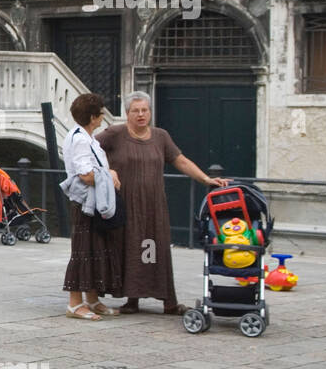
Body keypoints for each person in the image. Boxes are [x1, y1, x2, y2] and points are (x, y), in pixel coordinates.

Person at [98, 91, 229, 316]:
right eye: (135, 111)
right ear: (127, 114)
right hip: (125, 204)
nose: (141, 115)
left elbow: (181, 160)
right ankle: (132, 299)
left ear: (150, 112)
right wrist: (106, 171)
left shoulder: (160, 136)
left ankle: (168, 301)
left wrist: (205, 179)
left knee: (152, 249)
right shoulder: (114, 134)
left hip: (153, 207)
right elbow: (88, 149)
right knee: (130, 249)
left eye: (144, 110)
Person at [60, 92, 123, 321]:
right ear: (94, 117)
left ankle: (93, 299)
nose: (103, 115)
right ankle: (75, 304)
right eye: (100, 112)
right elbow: (86, 175)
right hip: (84, 202)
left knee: (95, 250)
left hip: (94, 201)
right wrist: (110, 174)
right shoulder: (79, 139)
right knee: (82, 251)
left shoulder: (87, 137)